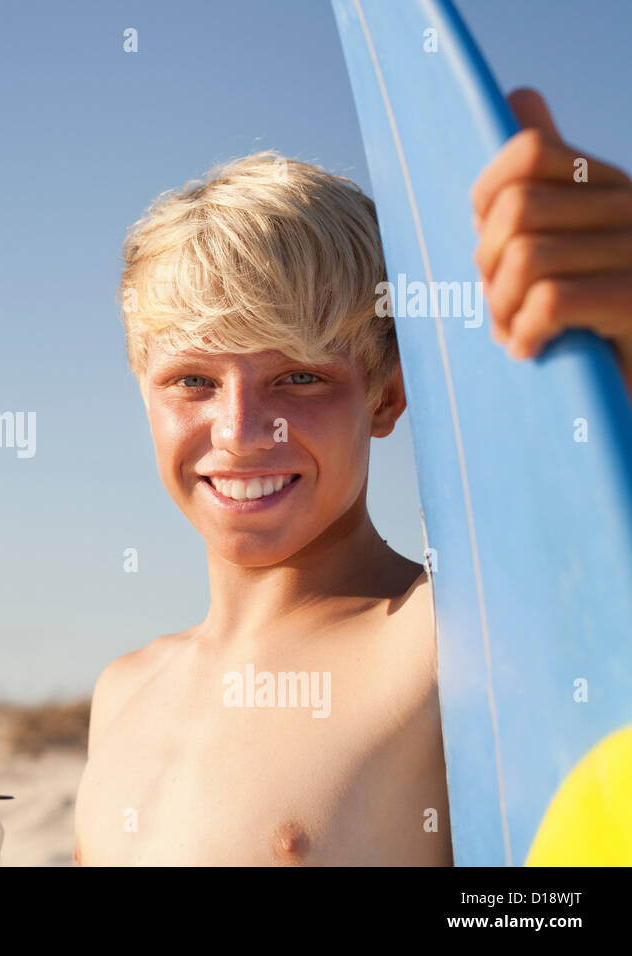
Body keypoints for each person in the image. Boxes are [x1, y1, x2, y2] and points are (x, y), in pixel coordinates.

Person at [73, 89, 632, 865]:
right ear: (144, 392)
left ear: (387, 395)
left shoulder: (452, 638)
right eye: (192, 381)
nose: (239, 432)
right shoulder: (121, 693)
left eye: (299, 378)